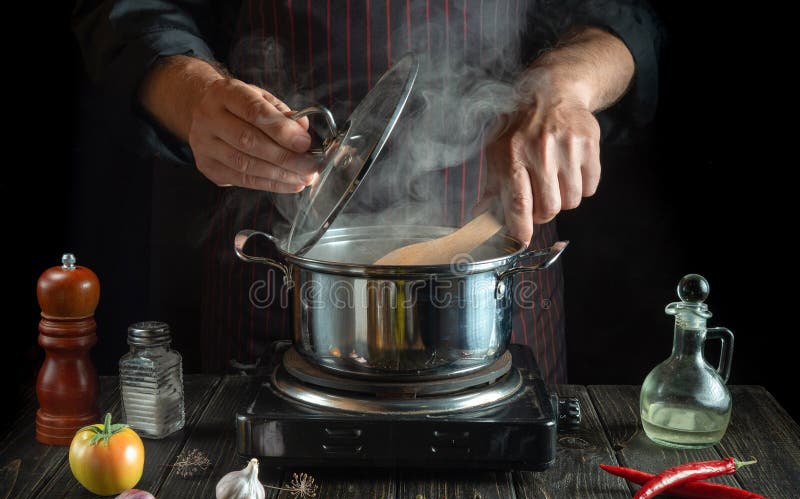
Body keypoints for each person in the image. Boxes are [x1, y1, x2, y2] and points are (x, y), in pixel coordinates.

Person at [72, 1, 662, 382]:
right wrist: (193, 94)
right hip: (278, 248)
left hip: (494, 259)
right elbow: (127, 9)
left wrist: (566, 82)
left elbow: (627, 13)